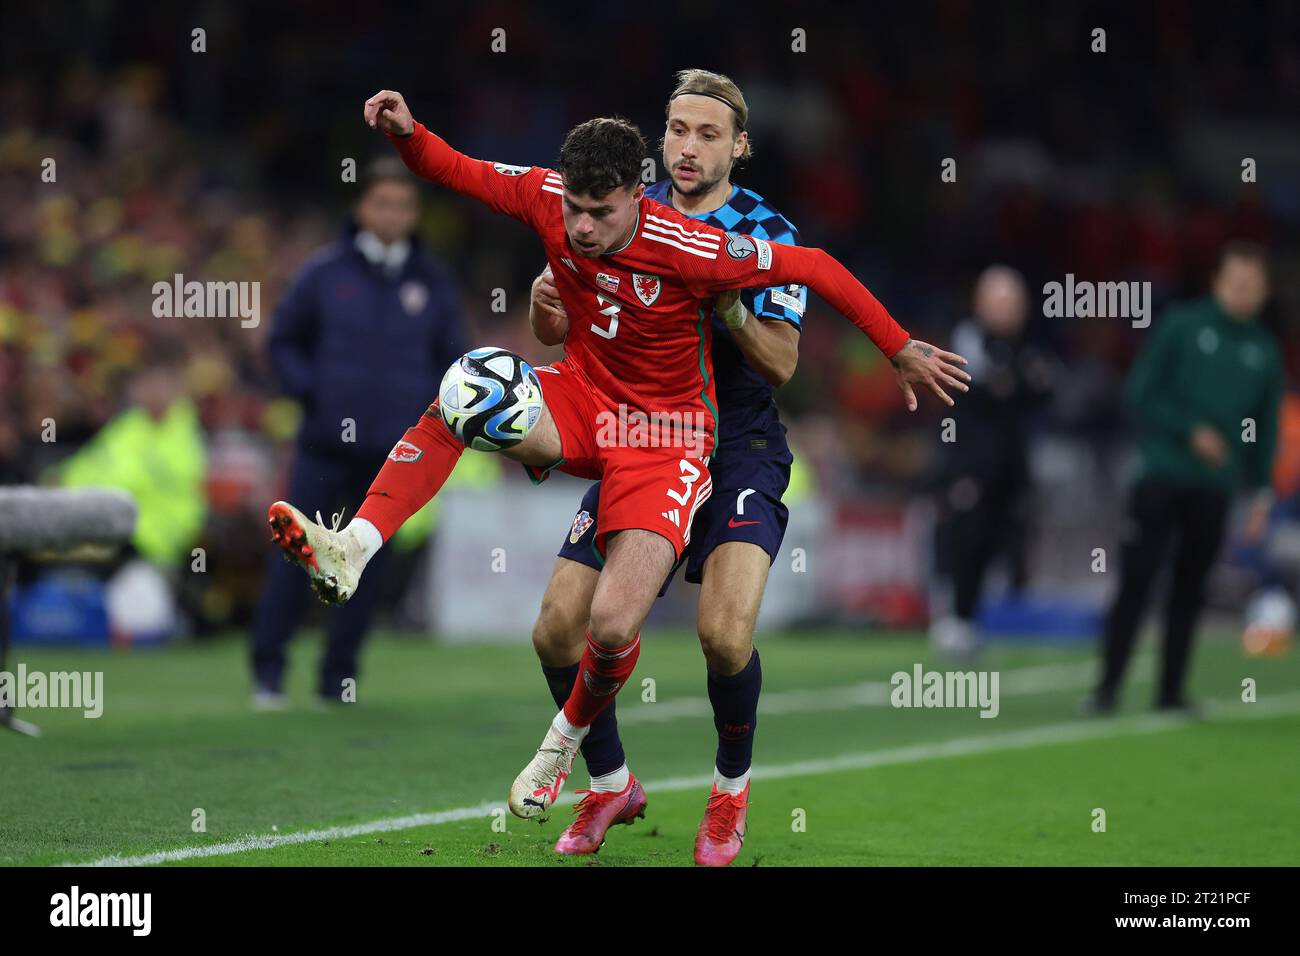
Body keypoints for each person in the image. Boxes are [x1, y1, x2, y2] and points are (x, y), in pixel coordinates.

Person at [267, 89, 967, 833]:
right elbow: (461, 170)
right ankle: (354, 547)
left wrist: (898, 346)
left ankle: (568, 746)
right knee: (467, 391)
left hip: (668, 438)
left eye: (601, 211)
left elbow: (820, 268)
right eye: (574, 209)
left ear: (639, 195)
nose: (583, 226)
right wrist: (410, 135)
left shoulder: (695, 246)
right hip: (585, 398)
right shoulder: (546, 197)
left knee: (609, 625)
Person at [523, 69, 863, 865]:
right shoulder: (619, 214)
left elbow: (781, 364)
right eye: (678, 129)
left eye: (708, 134)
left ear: (739, 147)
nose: (687, 146)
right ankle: (609, 783)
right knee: (556, 629)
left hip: (738, 442)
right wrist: (550, 308)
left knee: (721, 634)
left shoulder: (767, 234)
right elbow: (567, 333)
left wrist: (730, 305)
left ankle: (729, 796)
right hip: (647, 436)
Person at [250, 158, 468, 708]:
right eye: (382, 203)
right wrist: (313, 393)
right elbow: (282, 342)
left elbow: (457, 363)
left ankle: (336, 680)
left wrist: (429, 415)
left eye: (403, 205)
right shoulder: (325, 273)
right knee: (294, 555)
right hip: (324, 445)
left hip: (393, 454)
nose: (392, 214)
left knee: (363, 565)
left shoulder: (434, 283)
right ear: (361, 207)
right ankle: (268, 674)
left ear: (415, 214)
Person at [1089, 241, 1282, 715]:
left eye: (1252, 285)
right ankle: (1107, 688)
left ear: (1264, 291)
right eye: (1236, 281)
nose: (1243, 292)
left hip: (1214, 488)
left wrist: (1260, 491)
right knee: (1137, 580)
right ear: (1217, 281)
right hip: (1160, 475)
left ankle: (1170, 692)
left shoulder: (1264, 351)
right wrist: (1189, 431)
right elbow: (1139, 392)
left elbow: (1266, 428)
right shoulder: (1182, 326)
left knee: (1191, 588)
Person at [929, 265, 1055, 659]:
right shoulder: (968, 339)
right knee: (965, 539)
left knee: (1000, 544)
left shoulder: (1027, 346)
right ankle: (951, 619)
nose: (1008, 311)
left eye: (1013, 303)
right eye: (1000, 302)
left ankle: (972, 618)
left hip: (1010, 467)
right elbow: (981, 389)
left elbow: (1042, 391)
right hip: (969, 464)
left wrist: (1015, 384)